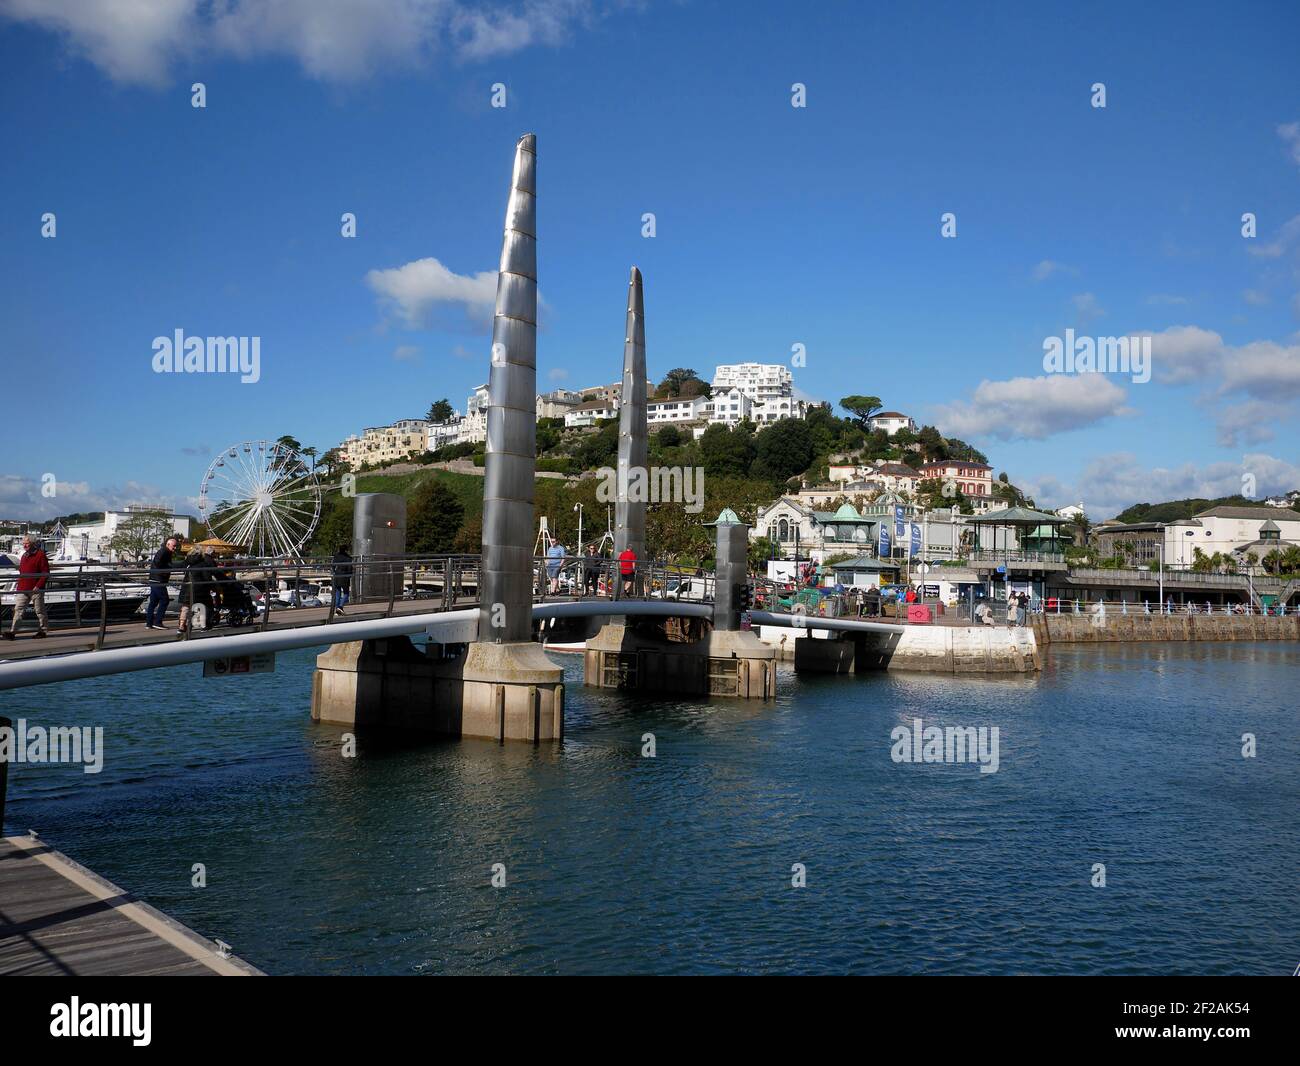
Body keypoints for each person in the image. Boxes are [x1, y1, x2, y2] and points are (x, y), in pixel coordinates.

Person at [3, 534, 51, 640]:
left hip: (36, 589)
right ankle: (13, 632)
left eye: (27, 543)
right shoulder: (24, 555)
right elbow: (22, 571)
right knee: (18, 609)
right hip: (23, 588)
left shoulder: (40, 555)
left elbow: (46, 573)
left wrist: (38, 586)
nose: (25, 545)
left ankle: (43, 631)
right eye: (23, 543)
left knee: (39, 610)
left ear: (33, 544)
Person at [145, 535, 179, 630]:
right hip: (158, 579)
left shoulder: (165, 551)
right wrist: (168, 567)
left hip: (154, 578)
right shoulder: (164, 551)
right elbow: (158, 562)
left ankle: (149, 623)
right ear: (168, 544)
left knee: (153, 602)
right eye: (174, 546)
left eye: (176, 546)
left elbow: (158, 562)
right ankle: (158, 622)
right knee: (164, 600)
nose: (175, 548)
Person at [332, 544, 353, 613]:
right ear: (346, 550)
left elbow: (333, 566)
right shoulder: (348, 558)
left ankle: (337, 609)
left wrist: (335, 572)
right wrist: (350, 575)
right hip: (345, 576)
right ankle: (340, 606)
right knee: (346, 593)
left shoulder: (336, 556)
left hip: (337, 576)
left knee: (337, 593)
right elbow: (350, 568)